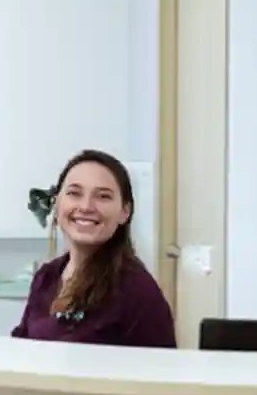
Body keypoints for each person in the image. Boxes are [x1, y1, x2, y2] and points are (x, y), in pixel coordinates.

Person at [11, 149, 176, 348]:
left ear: (125, 212)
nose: (86, 206)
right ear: (57, 203)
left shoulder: (136, 291)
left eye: (103, 196)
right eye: (74, 193)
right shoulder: (46, 277)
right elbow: (19, 350)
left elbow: (161, 372)